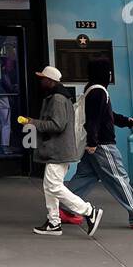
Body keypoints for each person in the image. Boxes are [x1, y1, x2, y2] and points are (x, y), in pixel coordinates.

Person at [64, 59, 133, 230]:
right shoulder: (99, 92)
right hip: (102, 145)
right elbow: (94, 120)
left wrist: (126, 121)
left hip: (94, 144)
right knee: (119, 178)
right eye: (108, 71)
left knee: (84, 177)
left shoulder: (92, 90)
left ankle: (65, 209)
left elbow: (107, 115)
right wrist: (93, 142)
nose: (110, 74)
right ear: (103, 73)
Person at [21, 65, 100, 237]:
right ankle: (53, 222)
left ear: (50, 81)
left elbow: (57, 125)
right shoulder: (58, 96)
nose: (41, 81)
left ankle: (88, 211)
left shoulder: (56, 99)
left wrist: (33, 122)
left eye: (43, 78)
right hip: (58, 149)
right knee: (49, 186)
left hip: (58, 150)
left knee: (54, 186)